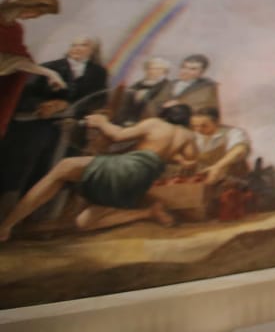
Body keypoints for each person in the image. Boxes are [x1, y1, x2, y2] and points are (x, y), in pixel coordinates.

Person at [0, 103, 196, 241]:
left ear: (167, 113)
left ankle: (6, 226)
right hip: (142, 179)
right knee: (84, 223)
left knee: (64, 167)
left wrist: (101, 122)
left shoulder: (155, 123)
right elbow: (190, 160)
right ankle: (148, 212)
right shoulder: (187, 135)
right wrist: (176, 156)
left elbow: (118, 135)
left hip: (129, 168)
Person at [0, 36, 108, 210]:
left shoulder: (98, 72)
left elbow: (99, 100)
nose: (77, 48)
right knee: (24, 169)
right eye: (74, 44)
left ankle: (41, 219)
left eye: (84, 45)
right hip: (38, 127)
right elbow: (24, 96)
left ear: (92, 51)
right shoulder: (49, 67)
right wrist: (40, 105)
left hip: (71, 131)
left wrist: (67, 106)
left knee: (58, 174)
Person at [0, 0, 65, 141]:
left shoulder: (15, 30)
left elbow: (15, 61)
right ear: (26, 6)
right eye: (36, 13)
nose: (34, 17)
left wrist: (50, 74)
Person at [145, 54, 219, 118]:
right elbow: (154, 104)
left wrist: (179, 105)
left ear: (202, 72)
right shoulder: (170, 84)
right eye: (183, 67)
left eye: (192, 69)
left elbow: (207, 110)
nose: (185, 71)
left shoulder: (207, 88)